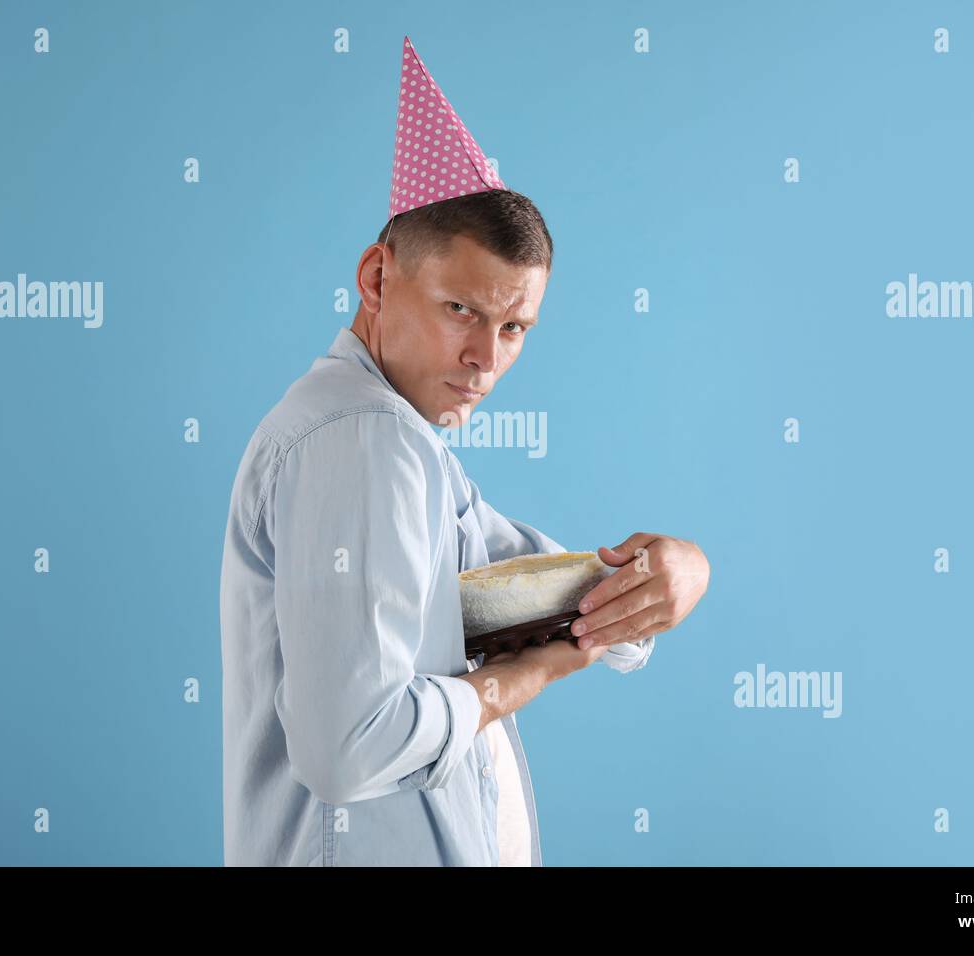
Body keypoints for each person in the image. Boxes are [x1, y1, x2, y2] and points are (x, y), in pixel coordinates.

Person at [218, 37, 710, 867]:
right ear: (377, 279)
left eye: (514, 327)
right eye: (460, 310)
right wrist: (521, 681)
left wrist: (676, 573)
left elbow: (546, 597)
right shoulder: (359, 437)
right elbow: (348, 750)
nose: (487, 357)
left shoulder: (410, 449)